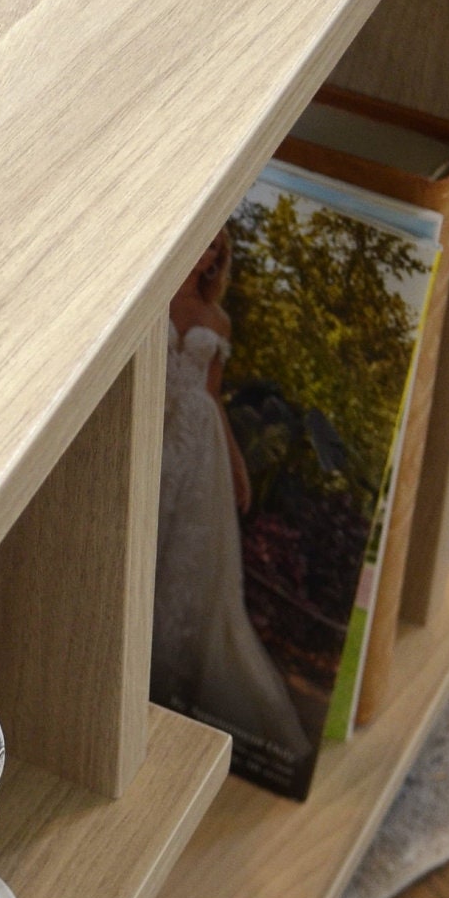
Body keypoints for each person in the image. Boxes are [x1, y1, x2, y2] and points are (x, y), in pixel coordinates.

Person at [151, 230, 310, 763]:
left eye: (218, 252)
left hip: (197, 440)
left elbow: (213, 397)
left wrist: (238, 467)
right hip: (150, 426)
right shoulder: (154, 288)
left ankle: (167, 675)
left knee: (184, 557)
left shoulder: (218, 322)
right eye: (206, 244)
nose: (210, 256)